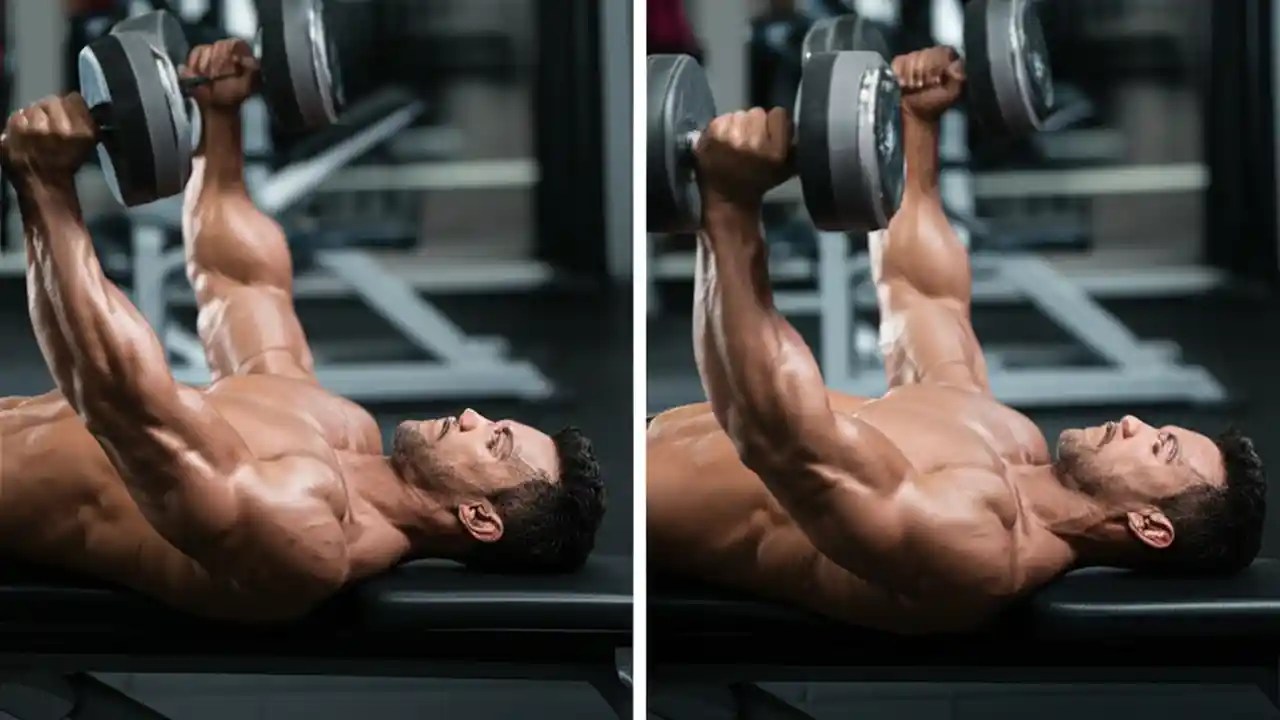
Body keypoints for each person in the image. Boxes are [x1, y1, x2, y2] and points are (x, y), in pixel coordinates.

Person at [647, 46, 1266, 634]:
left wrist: (728, 209)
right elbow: (923, 295)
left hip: (636, 518)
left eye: (1160, 449)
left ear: (1150, 527)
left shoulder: (976, 548)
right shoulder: (1011, 437)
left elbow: (778, 438)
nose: (1133, 421)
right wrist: (915, 128)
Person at [0, 40, 606, 623]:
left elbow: (121, 402)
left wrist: (48, 191)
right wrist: (222, 122)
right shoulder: (341, 427)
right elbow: (240, 282)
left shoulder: (308, 537)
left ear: (479, 518)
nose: (473, 415)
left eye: (494, 442)